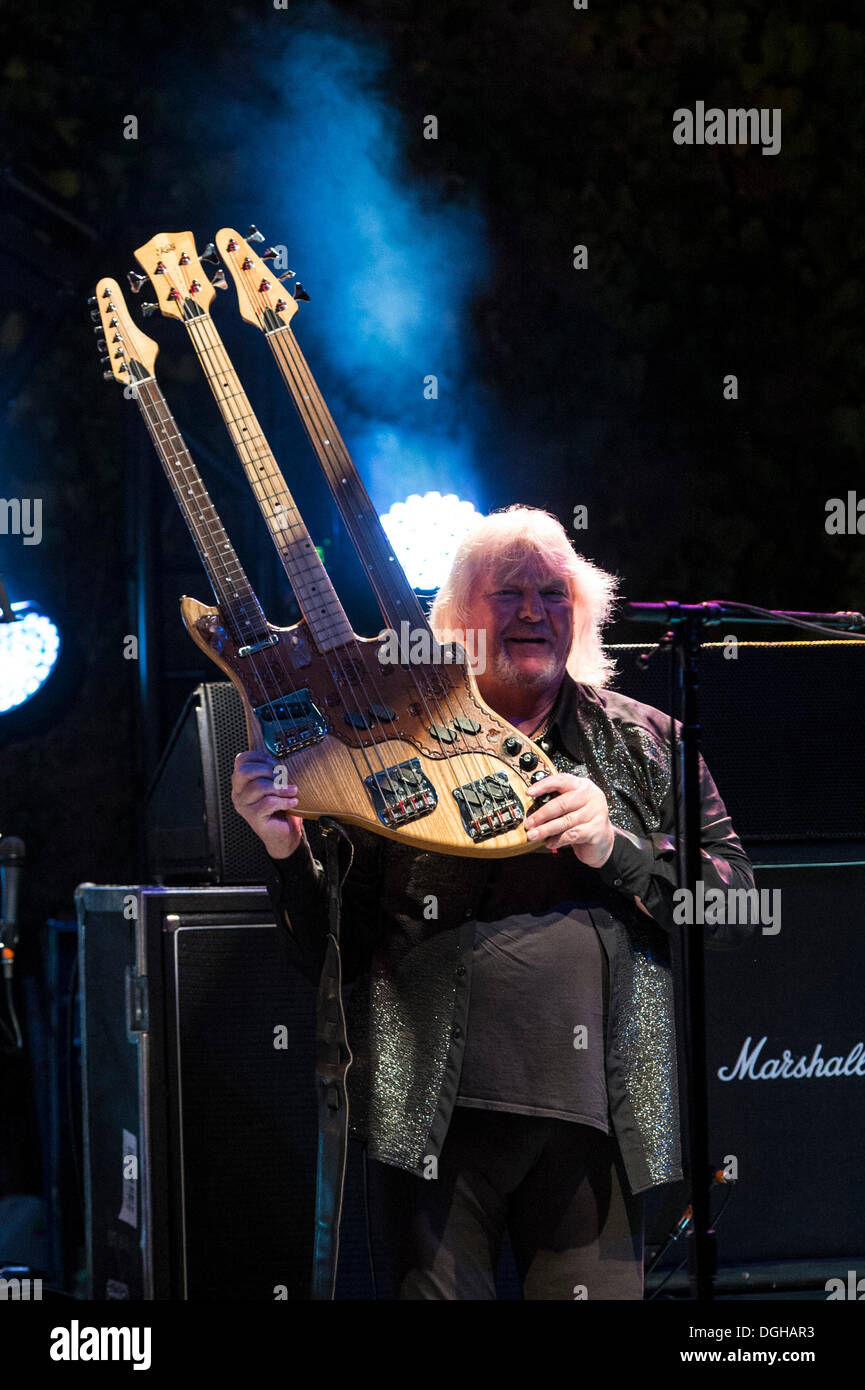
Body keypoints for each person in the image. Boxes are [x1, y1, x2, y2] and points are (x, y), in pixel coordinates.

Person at [231, 505, 756, 1300]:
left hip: (601, 1123)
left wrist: (614, 846)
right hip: (430, 1119)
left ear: (579, 614)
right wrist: (283, 852)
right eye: (507, 593)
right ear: (455, 619)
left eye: (551, 593)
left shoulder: (646, 742)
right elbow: (331, 952)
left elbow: (735, 913)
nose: (531, 612)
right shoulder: (387, 743)